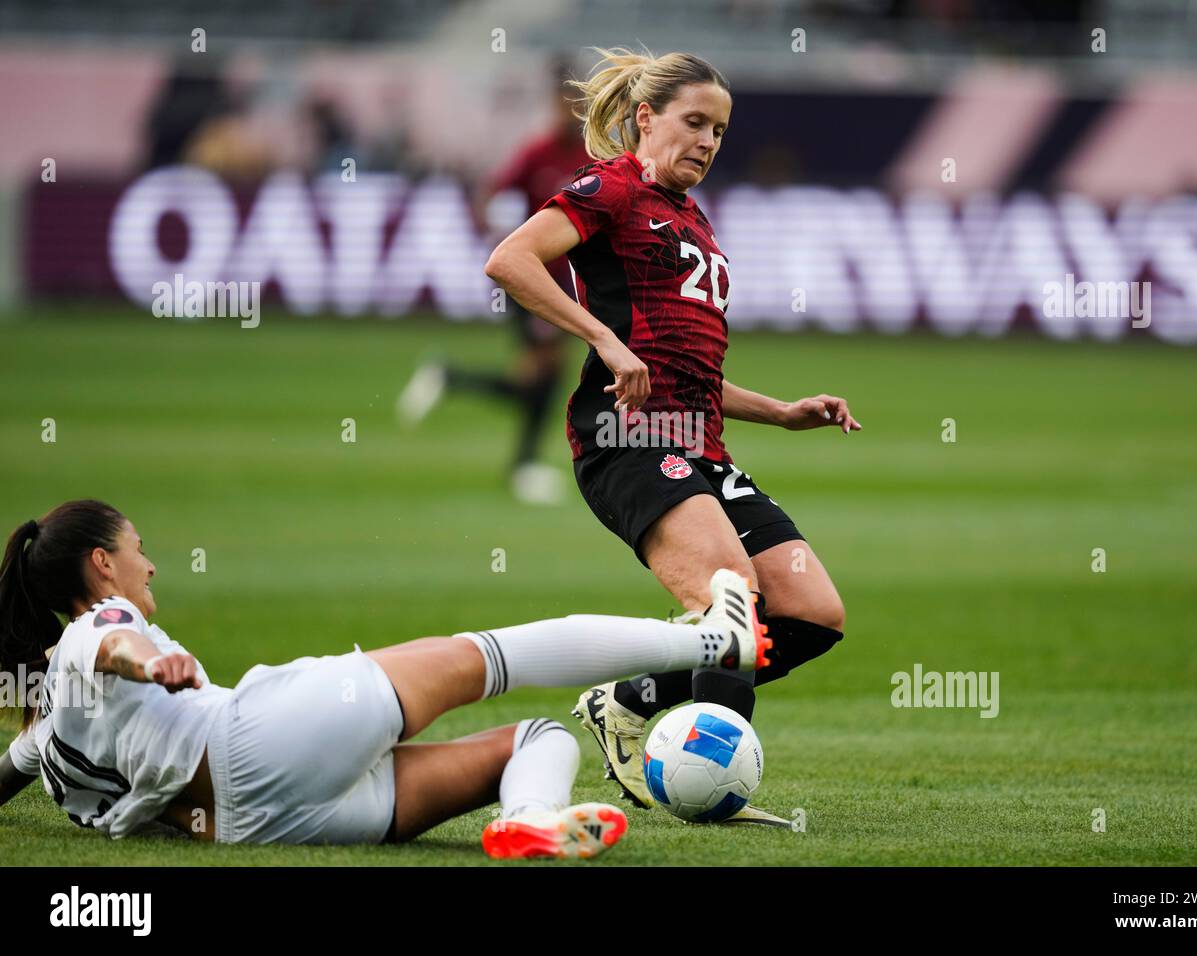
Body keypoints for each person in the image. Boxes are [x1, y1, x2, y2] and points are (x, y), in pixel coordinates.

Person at [483, 48, 860, 815]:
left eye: (718, 131)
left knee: (813, 614)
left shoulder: (693, 217)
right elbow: (510, 260)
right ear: (646, 118)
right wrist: (603, 340)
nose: (707, 143)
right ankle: (716, 792)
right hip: (627, 439)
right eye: (694, 123)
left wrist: (782, 412)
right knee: (733, 604)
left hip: (699, 443)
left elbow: (687, 373)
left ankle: (626, 699)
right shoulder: (614, 188)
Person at [0, 500, 767, 856]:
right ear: (102, 564)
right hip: (255, 741)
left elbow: (9, 770)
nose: (150, 561)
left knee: (537, 737)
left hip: (259, 824)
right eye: (138, 546)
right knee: (493, 655)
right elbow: (113, 648)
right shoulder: (93, 631)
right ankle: (712, 639)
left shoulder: (46, 730)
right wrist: (152, 662)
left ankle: (529, 818)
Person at [396, 61, 592, 505]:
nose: (571, 109)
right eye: (565, 101)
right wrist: (497, 242)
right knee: (544, 371)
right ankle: (521, 466)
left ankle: (452, 381)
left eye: (578, 102)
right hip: (533, 280)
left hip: (565, 283)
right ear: (553, 103)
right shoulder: (538, 153)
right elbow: (488, 193)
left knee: (543, 377)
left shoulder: (588, 157)